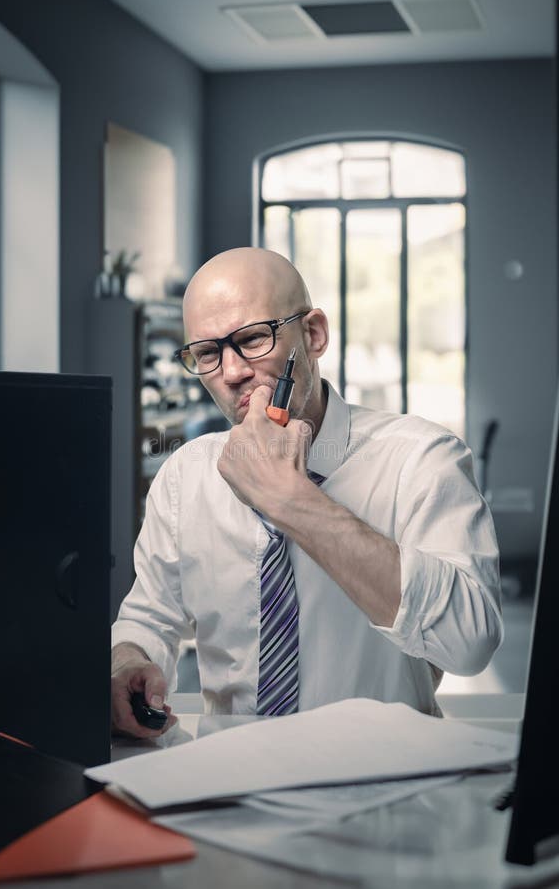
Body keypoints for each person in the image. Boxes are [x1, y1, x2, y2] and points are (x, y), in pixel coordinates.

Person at [111, 247, 503, 738]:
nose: (232, 373)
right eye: (208, 353)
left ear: (313, 335)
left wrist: (291, 500)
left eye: (252, 339)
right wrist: (129, 659)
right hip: (228, 779)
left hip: (380, 782)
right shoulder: (186, 475)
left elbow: (470, 642)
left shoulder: (421, 460)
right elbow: (150, 615)